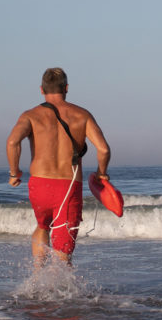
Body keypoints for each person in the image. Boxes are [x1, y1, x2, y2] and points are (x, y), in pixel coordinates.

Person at [7, 68, 111, 266]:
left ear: (41, 89)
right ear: (67, 88)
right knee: (63, 248)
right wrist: (102, 174)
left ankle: (37, 278)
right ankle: (62, 289)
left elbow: (12, 142)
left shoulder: (30, 115)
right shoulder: (82, 115)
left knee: (42, 226)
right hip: (68, 186)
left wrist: (14, 172)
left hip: (39, 185)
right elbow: (104, 150)